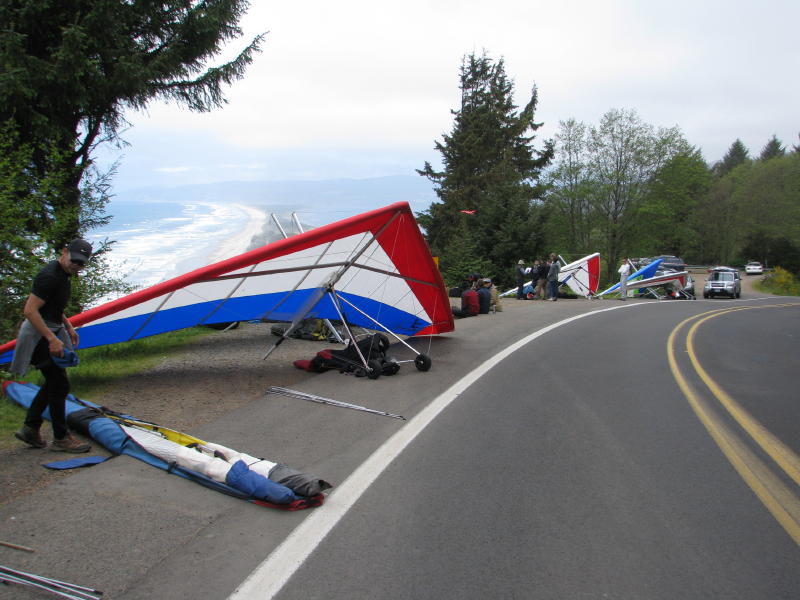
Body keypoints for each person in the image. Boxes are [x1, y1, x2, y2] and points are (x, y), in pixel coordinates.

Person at [11, 239, 93, 453]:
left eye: (82, 263)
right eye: (74, 260)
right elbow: (30, 310)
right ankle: (60, 438)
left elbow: (53, 306)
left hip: (52, 329)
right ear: (64, 252)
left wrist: (69, 327)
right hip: (38, 336)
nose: (77, 265)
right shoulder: (50, 276)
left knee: (53, 382)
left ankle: (30, 427)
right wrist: (51, 339)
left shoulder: (64, 274)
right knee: (59, 384)